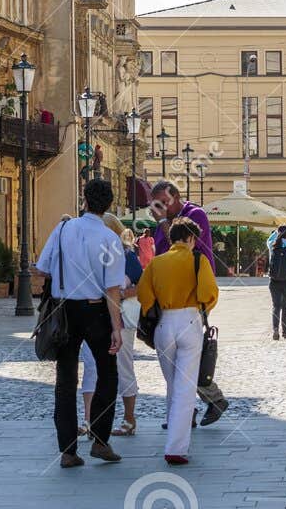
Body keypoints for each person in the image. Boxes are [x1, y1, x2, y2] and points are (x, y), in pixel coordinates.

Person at [34, 179, 127, 468]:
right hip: (96, 310)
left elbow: (42, 268)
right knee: (107, 374)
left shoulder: (63, 229)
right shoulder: (111, 238)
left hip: (64, 311)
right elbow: (113, 288)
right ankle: (100, 440)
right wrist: (116, 326)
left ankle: (68, 451)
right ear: (109, 206)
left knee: (65, 380)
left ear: (83, 199)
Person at [136, 217, 219, 465]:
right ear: (191, 238)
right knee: (185, 386)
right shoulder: (197, 260)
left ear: (172, 238)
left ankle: (172, 432)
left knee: (172, 383)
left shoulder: (157, 262)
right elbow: (208, 293)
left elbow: (143, 295)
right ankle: (175, 447)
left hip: (163, 323)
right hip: (189, 322)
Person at [147, 180, 230, 424]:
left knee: (188, 356)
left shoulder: (195, 215)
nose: (159, 207)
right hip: (168, 297)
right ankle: (189, 408)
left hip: (193, 295)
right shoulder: (162, 223)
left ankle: (205, 402)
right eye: (156, 204)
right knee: (172, 358)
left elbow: (183, 249)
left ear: (176, 197)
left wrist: (163, 222)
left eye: (163, 202)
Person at [81, 215, 144, 437]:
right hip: (94, 318)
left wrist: (120, 294)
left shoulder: (127, 256)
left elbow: (142, 285)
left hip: (121, 318)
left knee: (123, 366)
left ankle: (129, 419)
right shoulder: (90, 254)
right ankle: (89, 420)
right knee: (90, 368)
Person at [266, 224, 286, 339]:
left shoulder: (272, 245)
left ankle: (275, 329)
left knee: (276, 305)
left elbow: (268, 240)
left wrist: (276, 232)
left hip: (274, 280)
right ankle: (284, 332)